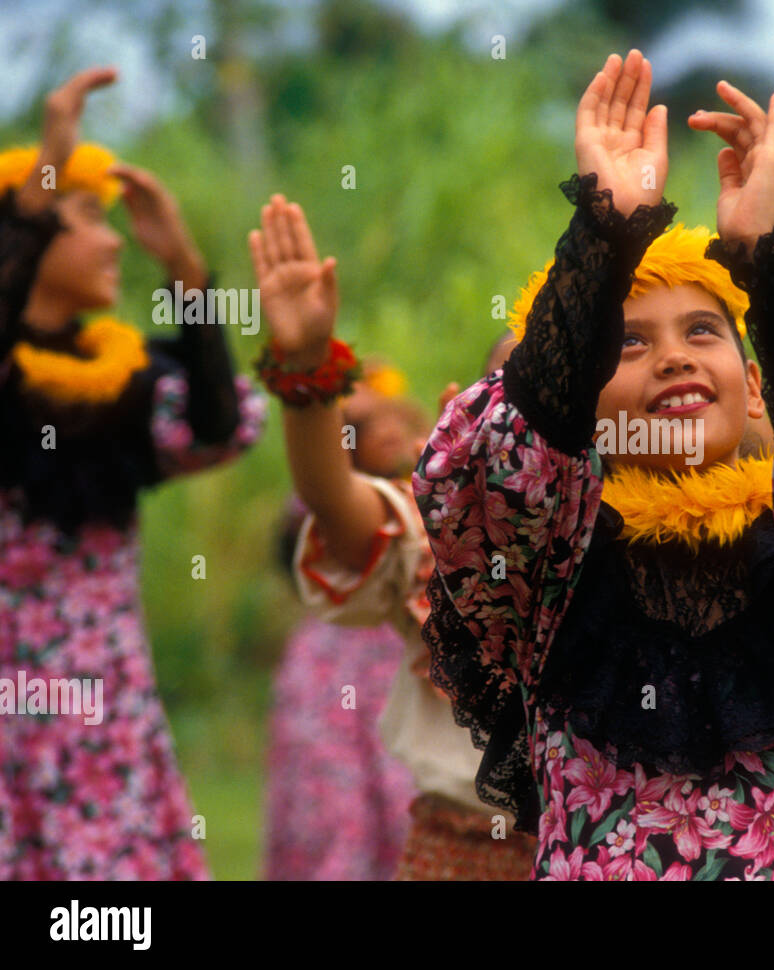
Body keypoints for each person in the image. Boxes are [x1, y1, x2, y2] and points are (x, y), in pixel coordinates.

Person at [410, 50, 774, 879]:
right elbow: (498, 469)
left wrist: (766, 259)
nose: (674, 358)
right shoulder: (545, 579)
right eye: (629, 342)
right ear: (581, 398)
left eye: (704, 331)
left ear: (758, 390)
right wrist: (606, 232)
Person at [0, 68, 264, 879]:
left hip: (104, 712)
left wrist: (186, 269)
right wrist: (49, 162)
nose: (115, 239)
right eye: (86, 218)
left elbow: (217, 424)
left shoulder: (123, 384)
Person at [248, 194, 538, 877]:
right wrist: (309, 369)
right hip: (462, 856)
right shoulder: (440, 534)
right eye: (516, 383)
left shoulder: (663, 545)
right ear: (467, 417)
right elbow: (334, 503)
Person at [263, 362, 426, 880]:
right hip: (333, 666)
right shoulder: (324, 498)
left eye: (390, 420)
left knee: (401, 796)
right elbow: (297, 550)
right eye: (365, 424)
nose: (388, 433)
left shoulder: (425, 489)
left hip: (396, 658)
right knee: (333, 804)